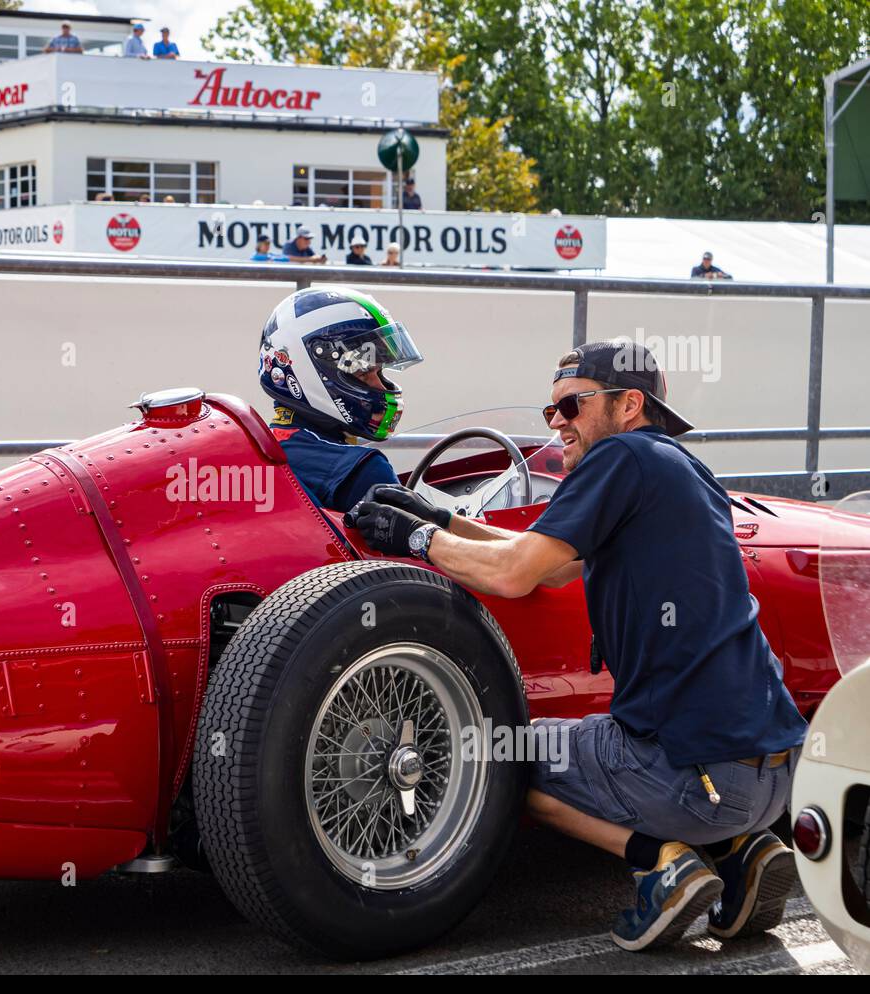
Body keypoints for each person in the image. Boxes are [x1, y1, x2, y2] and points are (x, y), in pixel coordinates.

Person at [347, 339, 807, 952]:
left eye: (572, 406)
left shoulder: (619, 458)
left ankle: (662, 864)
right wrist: (443, 519)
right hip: (776, 772)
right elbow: (552, 566)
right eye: (550, 412)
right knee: (602, 736)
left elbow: (514, 575)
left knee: (486, 752)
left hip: (697, 777)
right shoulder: (677, 468)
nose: (557, 422)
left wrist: (416, 538)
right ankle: (743, 853)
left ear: (628, 405)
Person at [259, 286, 419, 510]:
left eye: (379, 371)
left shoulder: (263, 455)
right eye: (363, 373)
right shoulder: (364, 470)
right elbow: (434, 543)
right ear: (308, 370)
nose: (380, 386)